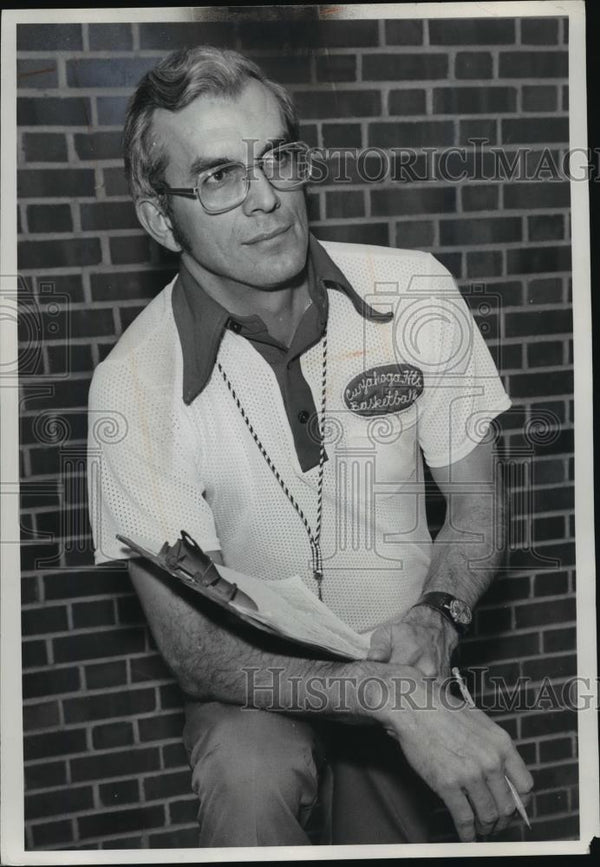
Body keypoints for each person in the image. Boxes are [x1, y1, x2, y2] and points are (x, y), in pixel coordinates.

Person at [87, 45, 533, 847]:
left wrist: (441, 612)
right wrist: (382, 699)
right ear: (161, 217)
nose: (266, 198)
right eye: (219, 176)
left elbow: (477, 501)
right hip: (255, 692)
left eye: (279, 159)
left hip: (414, 663)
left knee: (477, 805)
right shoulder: (130, 388)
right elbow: (197, 656)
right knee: (246, 769)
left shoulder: (416, 290)